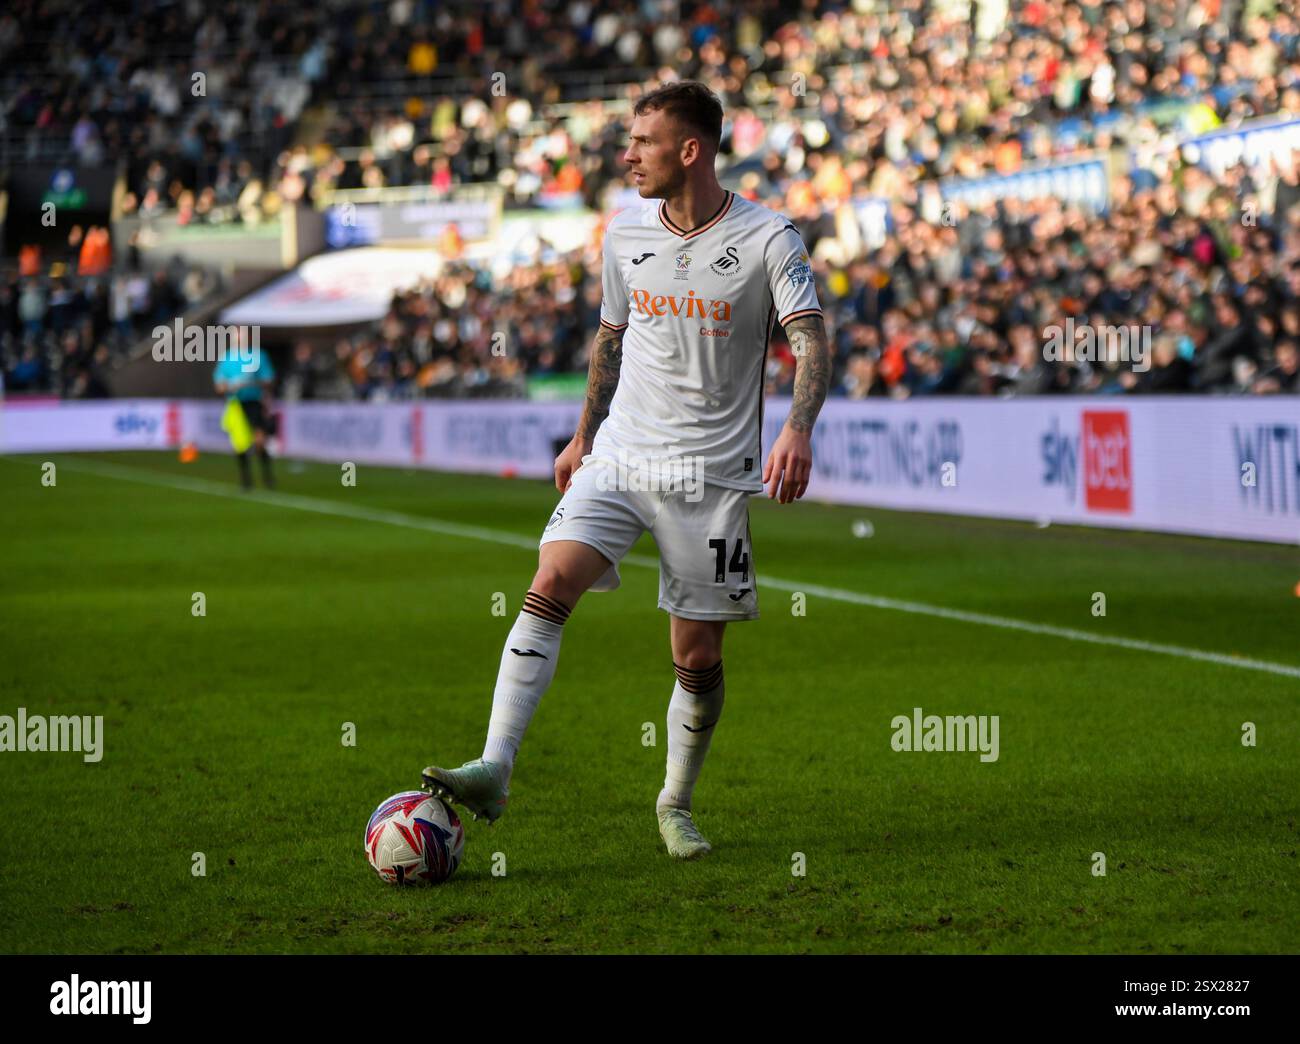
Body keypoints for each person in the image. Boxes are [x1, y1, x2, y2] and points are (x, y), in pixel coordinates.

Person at [421, 81, 831, 859]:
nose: (627, 154)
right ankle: (496, 767)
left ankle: (674, 802)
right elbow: (611, 338)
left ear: (690, 149)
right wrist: (583, 438)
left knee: (697, 657)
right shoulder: (624, 233)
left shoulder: (770, 237)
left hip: (709, 478)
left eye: (643, 142)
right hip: (621, 453)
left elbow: (812, 339)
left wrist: (798, 429)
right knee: (550, 582)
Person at [213, 333, 277, 490]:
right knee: (240, 444)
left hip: (254, 402)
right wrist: (230, 386)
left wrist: (251, 382)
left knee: (259, 440)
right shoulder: (227, 359)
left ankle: (267, 476)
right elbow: (219, 386)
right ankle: (246, 479)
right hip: (235, 405)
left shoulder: (258, 356)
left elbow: (270, 380)